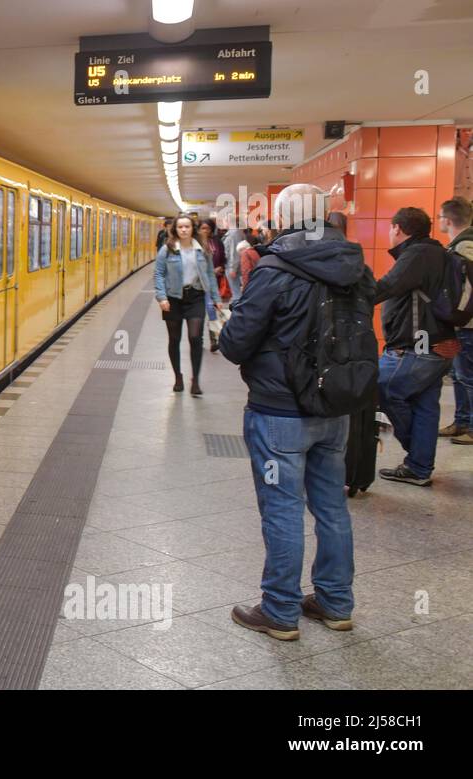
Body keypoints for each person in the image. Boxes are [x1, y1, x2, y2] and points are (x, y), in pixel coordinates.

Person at [218, 183, 370, 641]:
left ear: (283, 219)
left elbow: (235, 343)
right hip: (336, 405)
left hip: (279, 409)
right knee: (331, 508)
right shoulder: (355, 265)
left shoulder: (275, 267)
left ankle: (281, 610)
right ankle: (334, 603)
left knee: (282, 508)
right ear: (325, 216)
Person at [374, 206, 458, 486]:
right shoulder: (437, 251)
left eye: (390, 228)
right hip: (439, 345)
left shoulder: (417, 254)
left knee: (383, 387)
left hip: (417, 347)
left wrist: (348, 299)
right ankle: (419, 468)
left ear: (398, 228)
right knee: (424, 405)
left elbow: (385, 287)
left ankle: (417, 454)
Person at [153, 214, 223, 395]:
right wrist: (161, 297)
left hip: (196, 296)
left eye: (187, 227)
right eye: (180, 227)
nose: (184, 230)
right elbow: (159, 273)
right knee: (174, 339)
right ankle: (178, 376)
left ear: (193, 228)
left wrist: (216, 298)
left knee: (195, 337)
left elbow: (209, 274)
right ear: (175, 230)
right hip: (173, 298)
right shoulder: (167, 249)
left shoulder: (202, 249)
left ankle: (196, 380)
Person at [436, 196, 473, 445]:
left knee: (469, 376)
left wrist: (458, 315)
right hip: (462, 323)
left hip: (468, 324)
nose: (438, 221)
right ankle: (461, 421)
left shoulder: (465, 247)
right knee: (460, 375)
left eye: (439, 217)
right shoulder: (458, 245)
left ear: (448, 220)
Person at [197, 218, 227, 351]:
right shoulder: (195, 243)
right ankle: (198, 339)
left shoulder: (217, 242)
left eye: (207, 228)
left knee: (211, 310)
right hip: (198, 283)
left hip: (213, 281)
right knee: (199, 313)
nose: (205, 231)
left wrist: (221, 267)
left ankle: (213, 339)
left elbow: (223, 257)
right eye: (202, 228)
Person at [240, 222, 274, 290]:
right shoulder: (266, 243)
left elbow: (246, 272)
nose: (263, 232)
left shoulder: (248, 252)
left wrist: (245, 288)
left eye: (264, 229)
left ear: (269, 230)